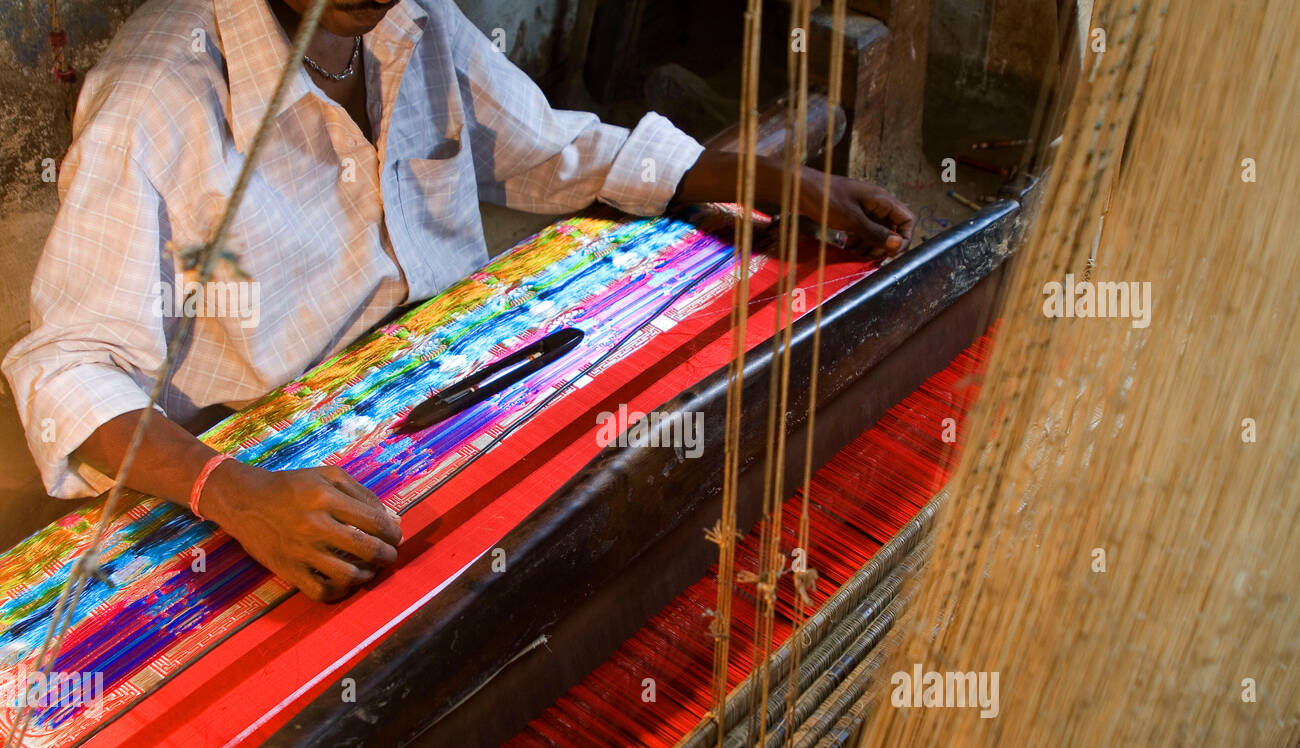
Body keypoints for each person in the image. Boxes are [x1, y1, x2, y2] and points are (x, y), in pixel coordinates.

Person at [3, 0, 915, 600]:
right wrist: (235, 494)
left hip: (441, 394)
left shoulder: (409, 23)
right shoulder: (157, 97)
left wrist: (765, 176)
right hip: (281, 468)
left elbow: (545, 146)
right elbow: (67, 367)